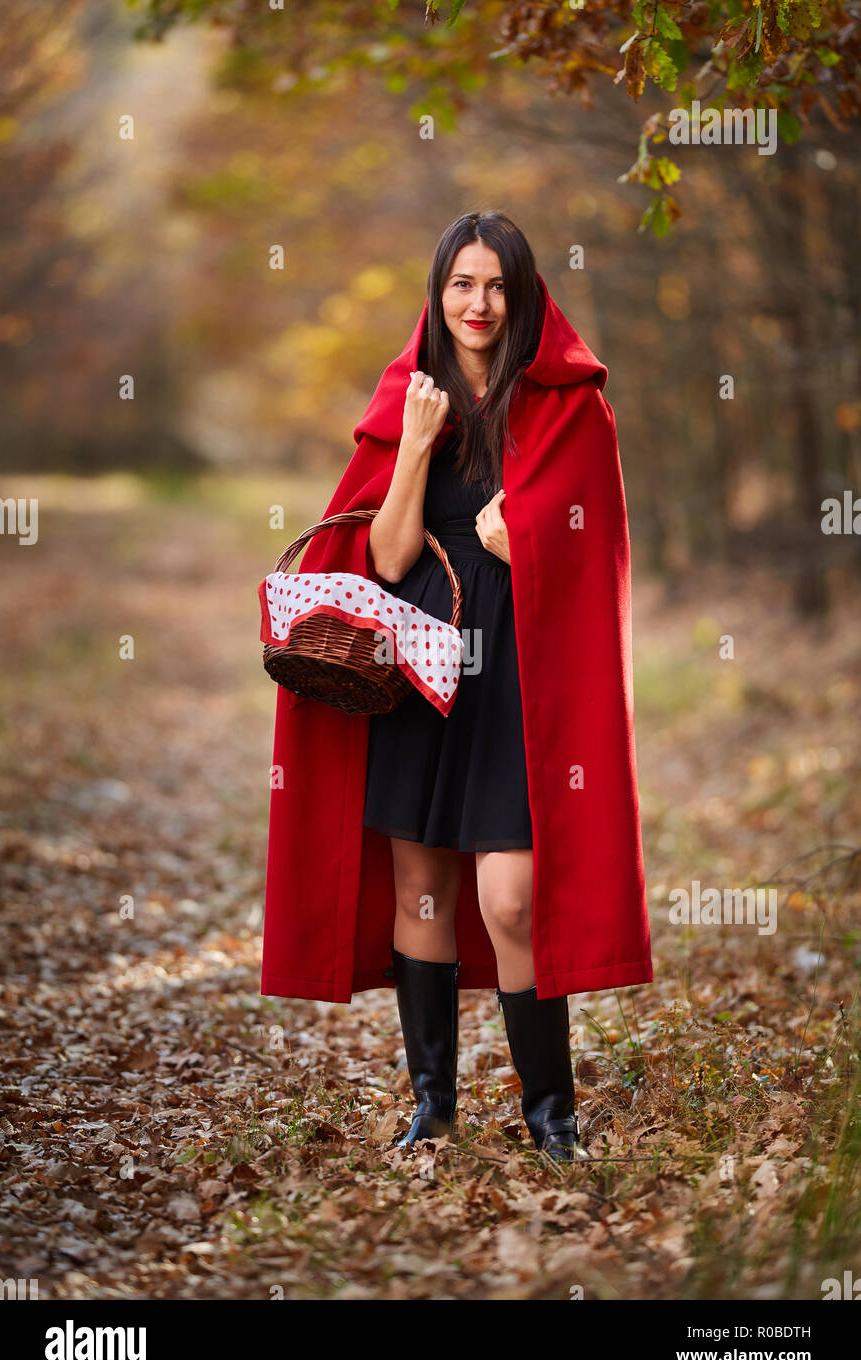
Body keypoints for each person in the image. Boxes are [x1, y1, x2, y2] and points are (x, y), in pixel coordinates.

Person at [260, 211, 652, 1164]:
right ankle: (433, 1106)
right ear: (437, 295)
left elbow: (593, 551)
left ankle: (549, 1113)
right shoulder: (412, 397)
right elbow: (384, 557)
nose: (478, 304)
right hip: (421, 666)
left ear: (524, 297)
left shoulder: (570, 405)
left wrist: (527, 550)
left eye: (497, 286)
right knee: (423, 888)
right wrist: (418, 444)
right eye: (461, 285)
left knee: (513, 897)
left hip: (523, 671)